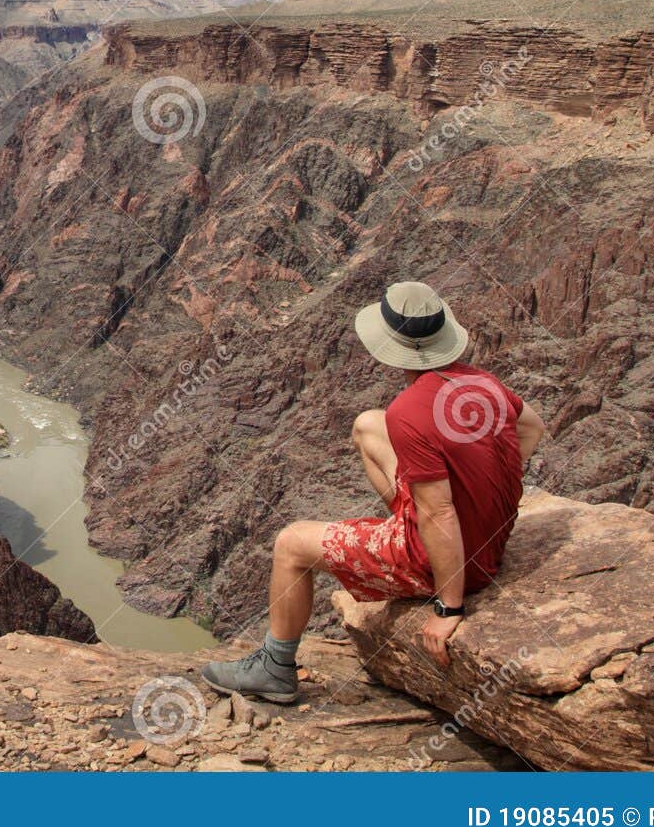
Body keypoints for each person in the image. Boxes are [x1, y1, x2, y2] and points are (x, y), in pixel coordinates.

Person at [201, 281, 546, 703]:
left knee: (291, 544)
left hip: (446, 561)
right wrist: (485, 485)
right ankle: (405, 524)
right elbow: (531, 427)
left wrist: (449, 608)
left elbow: (439, 514)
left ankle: (275, 667)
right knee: (368, 424)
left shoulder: (410, 412)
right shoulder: (484, 383)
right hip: (484, 538)